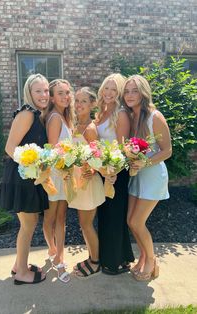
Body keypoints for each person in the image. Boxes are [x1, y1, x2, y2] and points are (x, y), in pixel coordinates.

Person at [0, 73, 49, 285]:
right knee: (28, 224)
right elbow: (10, 148)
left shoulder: (36, 114)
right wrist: (30, 164)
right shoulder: (27, 114)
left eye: (46, 90)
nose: (44, 95)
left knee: (28, 223)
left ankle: (20, 264)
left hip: (26, 175)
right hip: (21, 177)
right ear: (29, 92)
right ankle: (21, 273)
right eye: (38, 91)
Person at [121, 74, 172, 281]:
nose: (130, 95)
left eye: (134, 91)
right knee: (130, 221)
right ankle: (143, 258)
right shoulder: (131, 117)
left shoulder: (154, 116)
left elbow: (167, 150)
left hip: (152, 176)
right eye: (127, 91)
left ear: (143, 93)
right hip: (137, 176)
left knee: (137, 221)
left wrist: (145, 163)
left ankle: (151, 261)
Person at [95, 73, 135, 275]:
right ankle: (108, 257)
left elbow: (122, 149)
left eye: (113, 89)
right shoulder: (101, 111)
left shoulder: (120, 114)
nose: (108, 92)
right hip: (102, 171)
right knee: (104, 215)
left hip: (116, 172)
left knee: (114, 216)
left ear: (119, 93)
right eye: (106, 88)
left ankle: (116, 261)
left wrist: (112, 171)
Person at [69, 87, 105, 278]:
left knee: (86, 224)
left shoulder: (90, 129)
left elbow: (97, 158)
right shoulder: (76, 125)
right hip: (77, 182)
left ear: (92, 104)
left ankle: (95, 262)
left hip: (88, 184)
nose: (79, 105)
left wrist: (92, 168)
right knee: (83, 224)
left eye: (84, 101)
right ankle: (91, 256)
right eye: (77, 100)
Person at [42, 79, 74, 283]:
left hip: (65, 174)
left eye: (67, 92)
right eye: (60, 93)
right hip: (55, 175)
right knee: (50, 218)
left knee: (61, 218)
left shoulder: (65, 117)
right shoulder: (54, 117)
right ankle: (54, 251)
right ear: (52, 97)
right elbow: (51, 150)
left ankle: (59, 255)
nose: (65, 96)